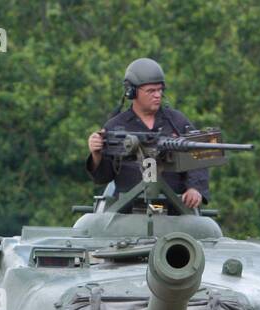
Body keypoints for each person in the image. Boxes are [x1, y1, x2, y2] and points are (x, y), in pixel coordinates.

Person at [85, 58, 209, 210]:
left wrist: (194, 188)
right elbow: (103, 177)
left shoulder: (177, 121)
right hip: (128, 211)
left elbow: (198, 156)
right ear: (132, 92)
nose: (157, 95)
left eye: (160, 90)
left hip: (175, 210)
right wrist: (96, 154)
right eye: (151, 91)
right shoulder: (116, 126)